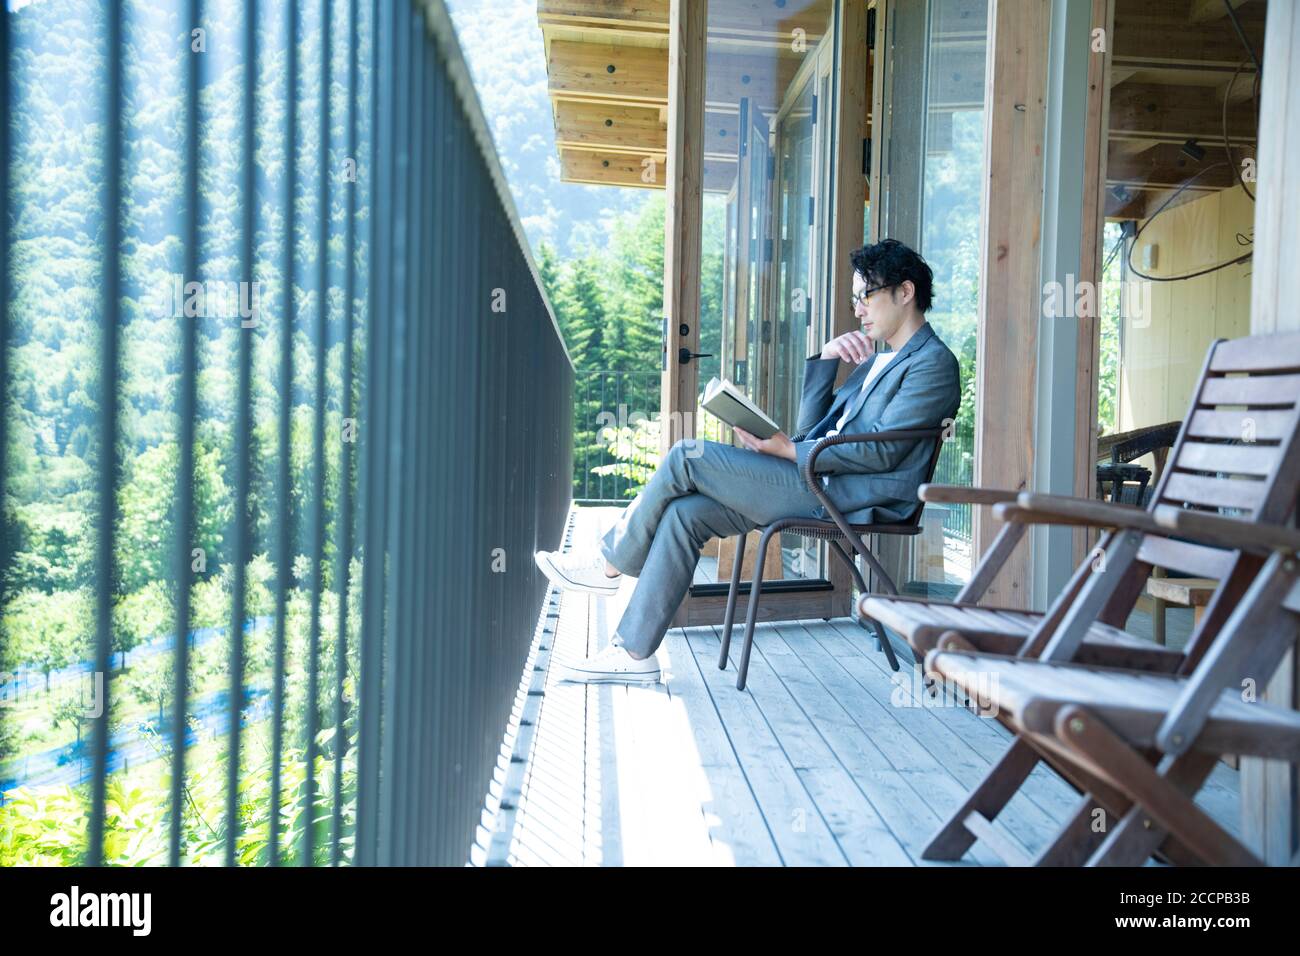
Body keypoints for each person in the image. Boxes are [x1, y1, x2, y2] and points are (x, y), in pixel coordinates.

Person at [534, 238, 961, 684]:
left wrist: (786, 451)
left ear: (905, 292)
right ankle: (635, 653)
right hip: (818, 478)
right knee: (685, 513)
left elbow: (882, 452)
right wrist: (827, 361)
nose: (858, 309)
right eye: (856, 298)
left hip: (847, 494)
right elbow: (811, 431)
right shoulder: (879, 359)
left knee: (687, 455)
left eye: (866, 295)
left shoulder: (932, 363)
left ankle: (608, 565)